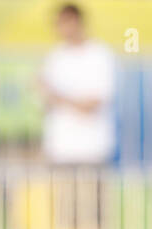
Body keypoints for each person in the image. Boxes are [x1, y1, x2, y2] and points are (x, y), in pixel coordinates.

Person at [38, 3, 116, 165]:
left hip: (91, 152)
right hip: (59, 151)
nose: (61, 29)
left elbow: (93, 104)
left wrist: (56, 96)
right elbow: (45, 103)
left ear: (78, 22)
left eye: (65, 23)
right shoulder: (55, 56)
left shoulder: (99, 55)